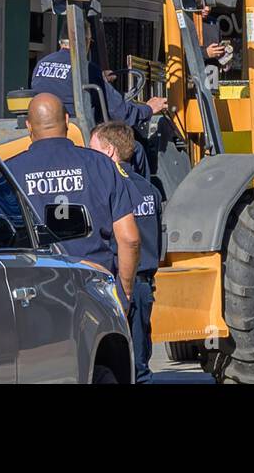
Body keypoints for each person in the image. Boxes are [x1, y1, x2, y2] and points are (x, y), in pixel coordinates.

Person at [9, 93, 140, 307]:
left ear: (29, 126)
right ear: (68, 120)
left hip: (34, 293)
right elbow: (129, 239)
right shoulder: (102, 166)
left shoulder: (10, 171)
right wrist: (124, 293)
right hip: (95, 288)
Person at [90, 120, 162, 384]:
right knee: (139, 365)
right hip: (144, 283)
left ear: (109, 151)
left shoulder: (107, 189)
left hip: (117, 283)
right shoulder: (150, 190)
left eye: (93, 149)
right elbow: (157, 240)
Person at [32, 17, 167, 131]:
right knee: (137, 150)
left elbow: (64, 84)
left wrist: (99, 78)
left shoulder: (42, 64)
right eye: (90, 42)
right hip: (80, 130)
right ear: (84, 41)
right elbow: (120, 113)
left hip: (49, 126)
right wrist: (148, 109)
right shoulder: (86, 68)